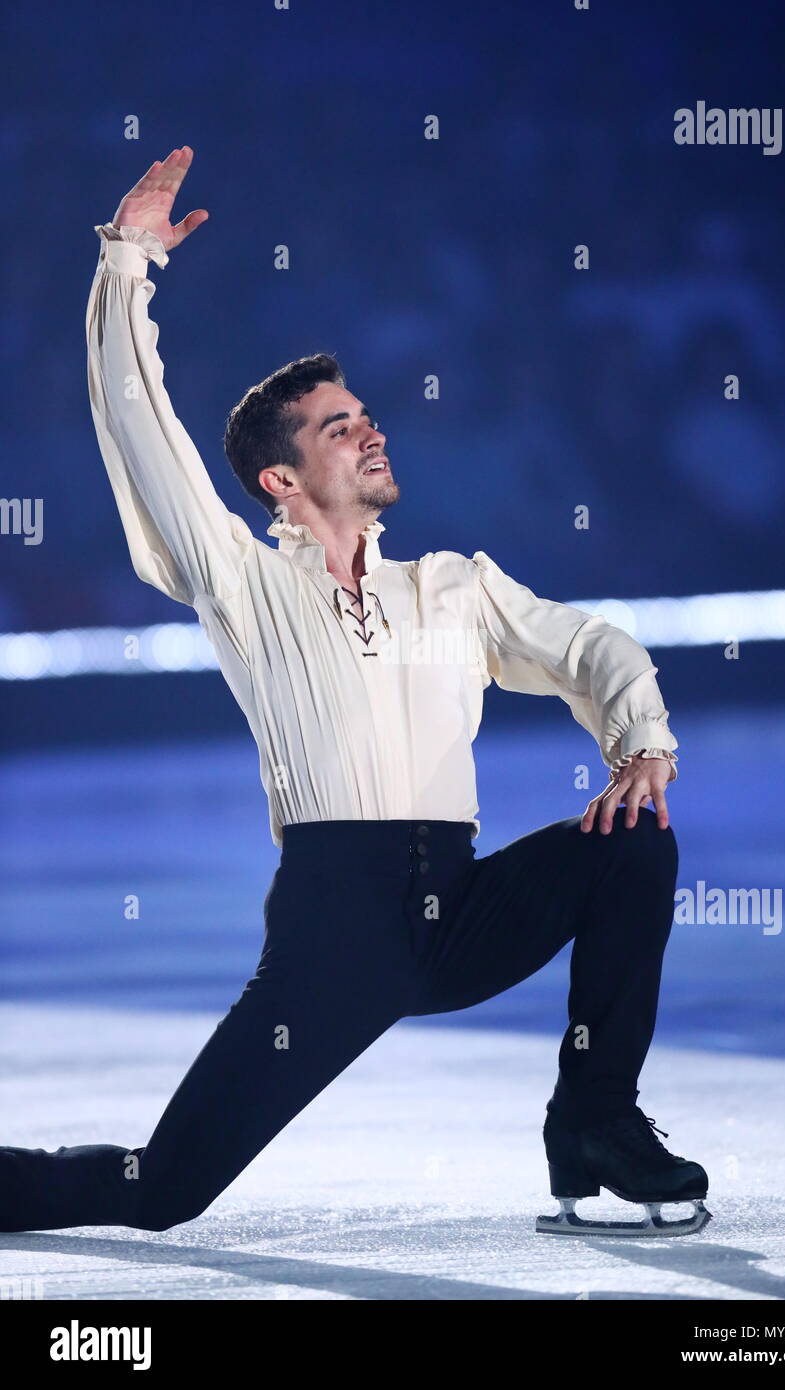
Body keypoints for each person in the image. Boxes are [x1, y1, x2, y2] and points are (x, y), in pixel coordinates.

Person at [0, 147, 709, 1239]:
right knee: (162, 1189)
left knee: (632, 844)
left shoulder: (450, 589)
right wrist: (127, 264)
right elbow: (140, 434)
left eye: (365, 414)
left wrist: (642, 742)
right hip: (338, 934)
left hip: (460, 910)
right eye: (339, 426)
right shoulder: (245, 583)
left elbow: (589, 646)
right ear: (280, 480)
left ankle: (593, 1121)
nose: (370, 428)